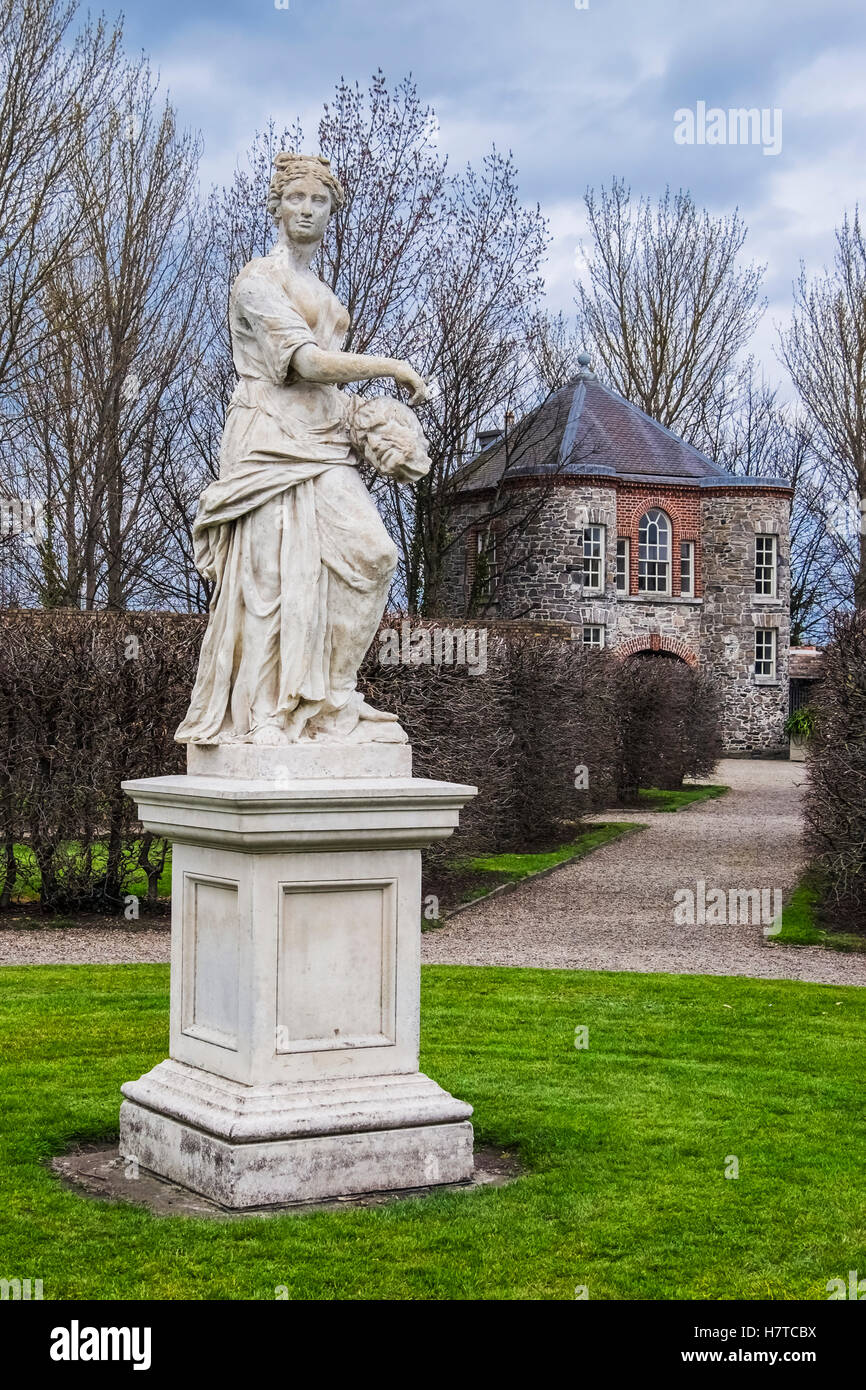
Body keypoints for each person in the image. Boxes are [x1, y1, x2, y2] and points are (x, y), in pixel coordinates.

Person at [176, 153, 430, 747]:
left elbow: (329, 386)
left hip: (326, 438)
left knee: (374, 557)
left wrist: (379, 429)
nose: (307, 210)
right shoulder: (257, 281)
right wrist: (390, 368)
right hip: (267, 437)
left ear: (331, 212)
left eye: (319, 201)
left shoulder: (326, 292)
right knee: (269, 580)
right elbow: (306, 365)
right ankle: (264, 713)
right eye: (296, 198)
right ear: (277, 206)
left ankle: (333, 700)